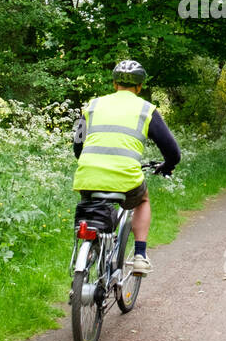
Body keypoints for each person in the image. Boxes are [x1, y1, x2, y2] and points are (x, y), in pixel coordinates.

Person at [71, 60, 180, 276]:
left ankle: (88, 254)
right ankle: (140, 255)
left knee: (91, 206)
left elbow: (77, 144)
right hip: (126, 181)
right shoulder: (146, 110)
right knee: (143, 198)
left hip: (87, 177)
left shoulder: (91, 106)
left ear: (114, 84)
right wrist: (167, 166)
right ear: (139, 87)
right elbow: (172, 151)